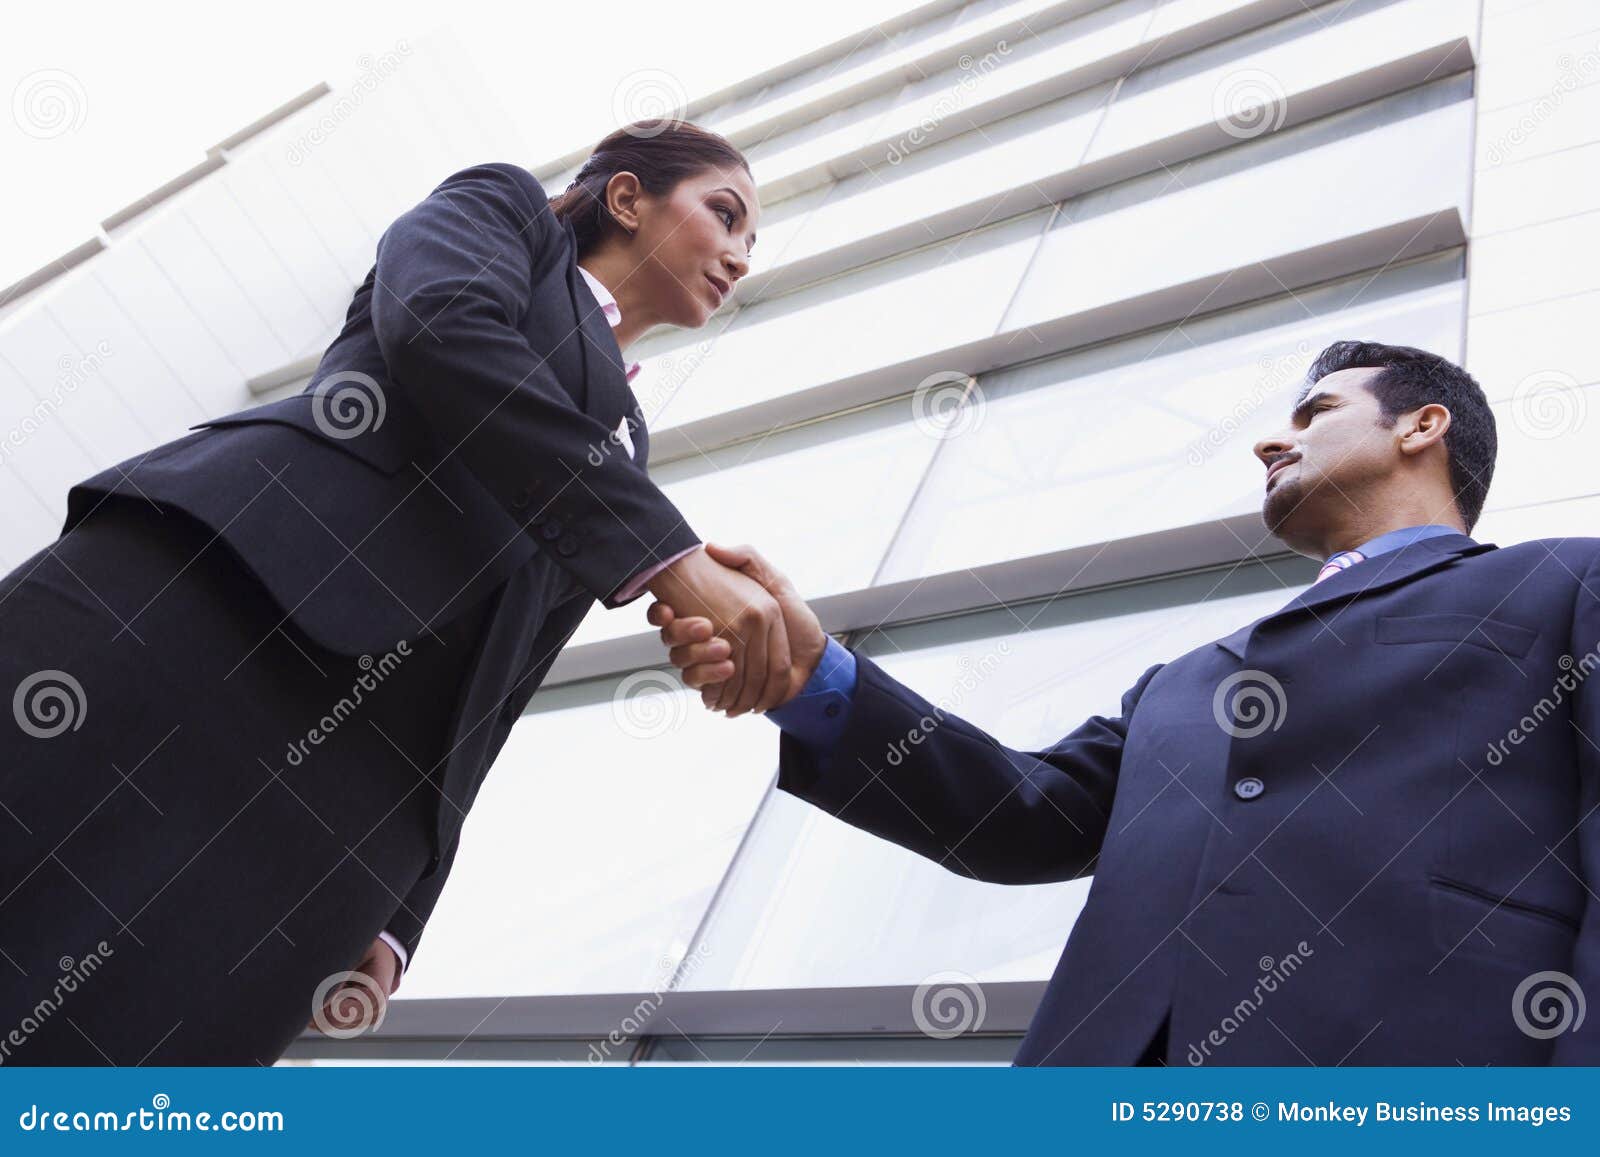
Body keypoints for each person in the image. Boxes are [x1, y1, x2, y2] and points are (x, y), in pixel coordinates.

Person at [0, 120, 792, 1064]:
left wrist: (400, 915)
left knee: (128, 1055)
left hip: (352, 794)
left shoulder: (629, 447)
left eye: (754, 242)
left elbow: (504, 684)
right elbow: (442, 326)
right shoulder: (503, 214)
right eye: (728, 214)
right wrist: (668, 555)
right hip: (220, 601)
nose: (740, 255)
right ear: (627, 198)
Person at [651, 341, 1600, 1065]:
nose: (1274, 437)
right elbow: (1020, 817)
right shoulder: (1184, 681)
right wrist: (813, 679)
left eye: (1315, 412)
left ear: (1421, 427)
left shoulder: (1566, 582)